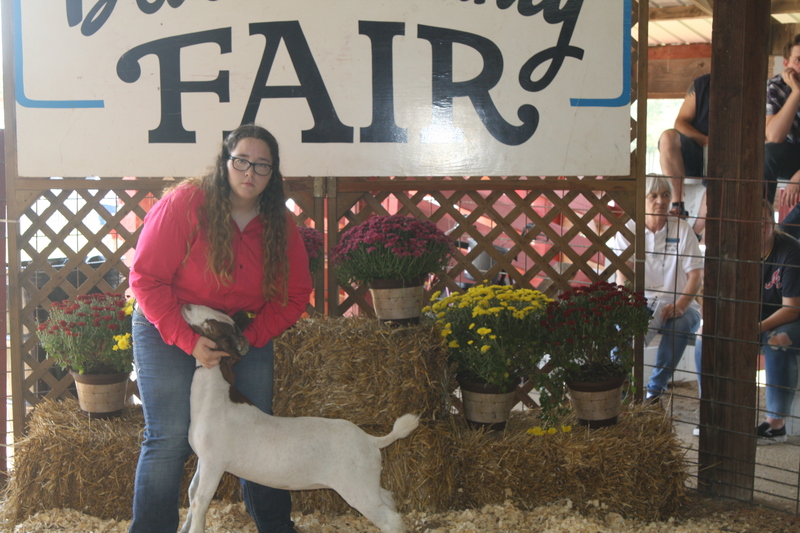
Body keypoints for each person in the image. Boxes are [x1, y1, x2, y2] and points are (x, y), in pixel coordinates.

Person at [128, 124, 313, 532]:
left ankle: (276, 527)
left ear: (273, 173)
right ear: (225, 163)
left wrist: (249, 340)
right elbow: (144, 279)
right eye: (241, 161)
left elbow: (296, 293)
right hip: (171, 322)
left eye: (262, 166)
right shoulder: (185, 203)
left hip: (240, 332)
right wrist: (188, 340)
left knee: (258, 428)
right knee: (170, 435)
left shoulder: (279, 224)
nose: (250, 173)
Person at [616, 176, 704, 403]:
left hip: (682, 303)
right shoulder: (629, 228)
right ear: (641, 200)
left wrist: (681, 306)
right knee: (625, 327)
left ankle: (655, 391)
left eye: (665, 195)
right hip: (641, 301)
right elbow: (622, 275)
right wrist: (627, 305)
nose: (660, 201)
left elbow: (695, 275)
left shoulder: (683, 229)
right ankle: (621, 389)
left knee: (680, 325)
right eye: (653, 195)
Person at [755, 199, 800, 445]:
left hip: (790, 318)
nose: (759, 227)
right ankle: (713, 411)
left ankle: (776, 423)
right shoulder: (735, 247)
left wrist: (757, 328)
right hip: (755, 318)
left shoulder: (790, 249)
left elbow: (792, 309)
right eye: (753, 222)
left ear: (772, 223)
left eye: (764, 221)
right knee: (704, 337)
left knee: (777, 341)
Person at [657, 72, 710, 235]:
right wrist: (706, 141)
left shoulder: (753, 86)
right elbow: (680, 122)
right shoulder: (702, 84)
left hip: (729, 157)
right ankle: (677, 205)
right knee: (667, 137)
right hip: (697, 150)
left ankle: (695, 233)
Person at [765, 33, 800, 238]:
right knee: (768, 152)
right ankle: (763, 217)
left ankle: (784, 233)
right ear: (786, 64)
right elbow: (774, 136)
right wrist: (796, 93)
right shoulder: (777, 86)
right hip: (789, 151)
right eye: (798, 61)